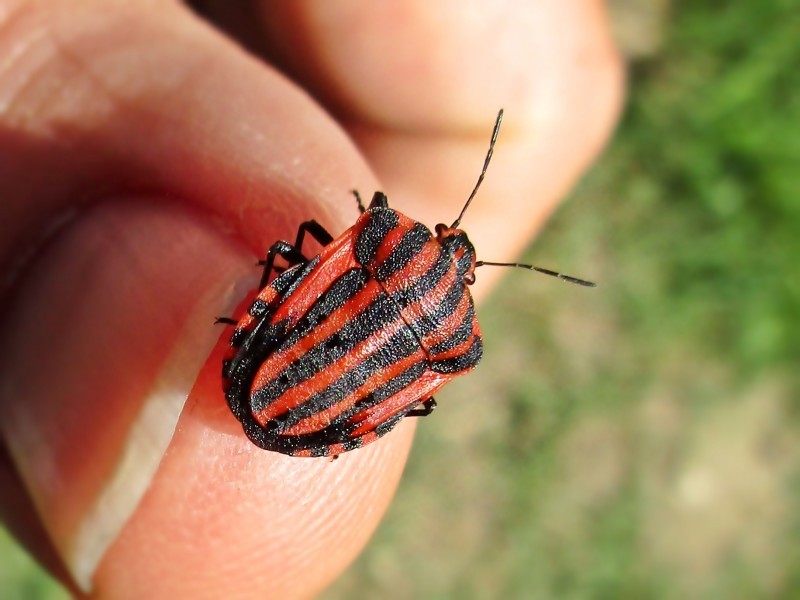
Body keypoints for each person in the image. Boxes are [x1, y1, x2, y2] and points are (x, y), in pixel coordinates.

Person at [0, 2, 623, 597]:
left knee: (296, 243)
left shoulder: (389, 247)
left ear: (433, 239)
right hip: (320, 413)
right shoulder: (448, 348)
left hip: (278, 354)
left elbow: (307, 244)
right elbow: (410, 403)